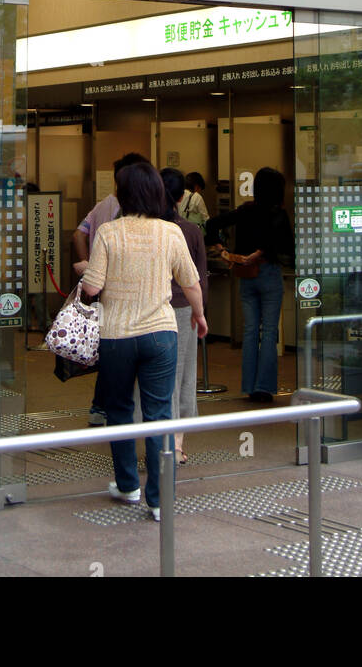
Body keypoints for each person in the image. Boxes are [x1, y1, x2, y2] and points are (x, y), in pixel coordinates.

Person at [78, 161, 207, 520]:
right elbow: (190, 283)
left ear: (123, 194)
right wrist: (198, 316)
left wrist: (86, 273)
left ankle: (128, 486)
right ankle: (160, 499)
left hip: (117, 336)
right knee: (159, 414)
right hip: (161, 334)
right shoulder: (171, 233)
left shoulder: (108, 232)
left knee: (119, 410)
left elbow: (92, 286)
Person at [73, 151, 149, 426]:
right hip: (119, 290)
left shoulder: (103, 203)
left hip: (98, 286)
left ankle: (99, 407)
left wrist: (87, 263)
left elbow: (78, 233)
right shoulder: (127, 211)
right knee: (119, 350)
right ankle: (112, 409)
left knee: (107, 347)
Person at [206, 166, 294, 402]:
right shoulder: (278, 213)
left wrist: (223, 252)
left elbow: (212, 224)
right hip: (268, 273)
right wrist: (260, 252)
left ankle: (248, 386)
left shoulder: (245, 210)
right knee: (269, 332)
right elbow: (285, 244)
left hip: (246, 276)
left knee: (250, 331)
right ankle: (263, 388)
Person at [160, 167, 208, 464]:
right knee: (184, 374)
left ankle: (162, 440)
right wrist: (202, 312)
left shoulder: (149, 227)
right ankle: (177, 443)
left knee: (160, 376)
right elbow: (200, 277)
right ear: (181, 197)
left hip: (154, 308)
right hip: (185, 308)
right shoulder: (190, 231)